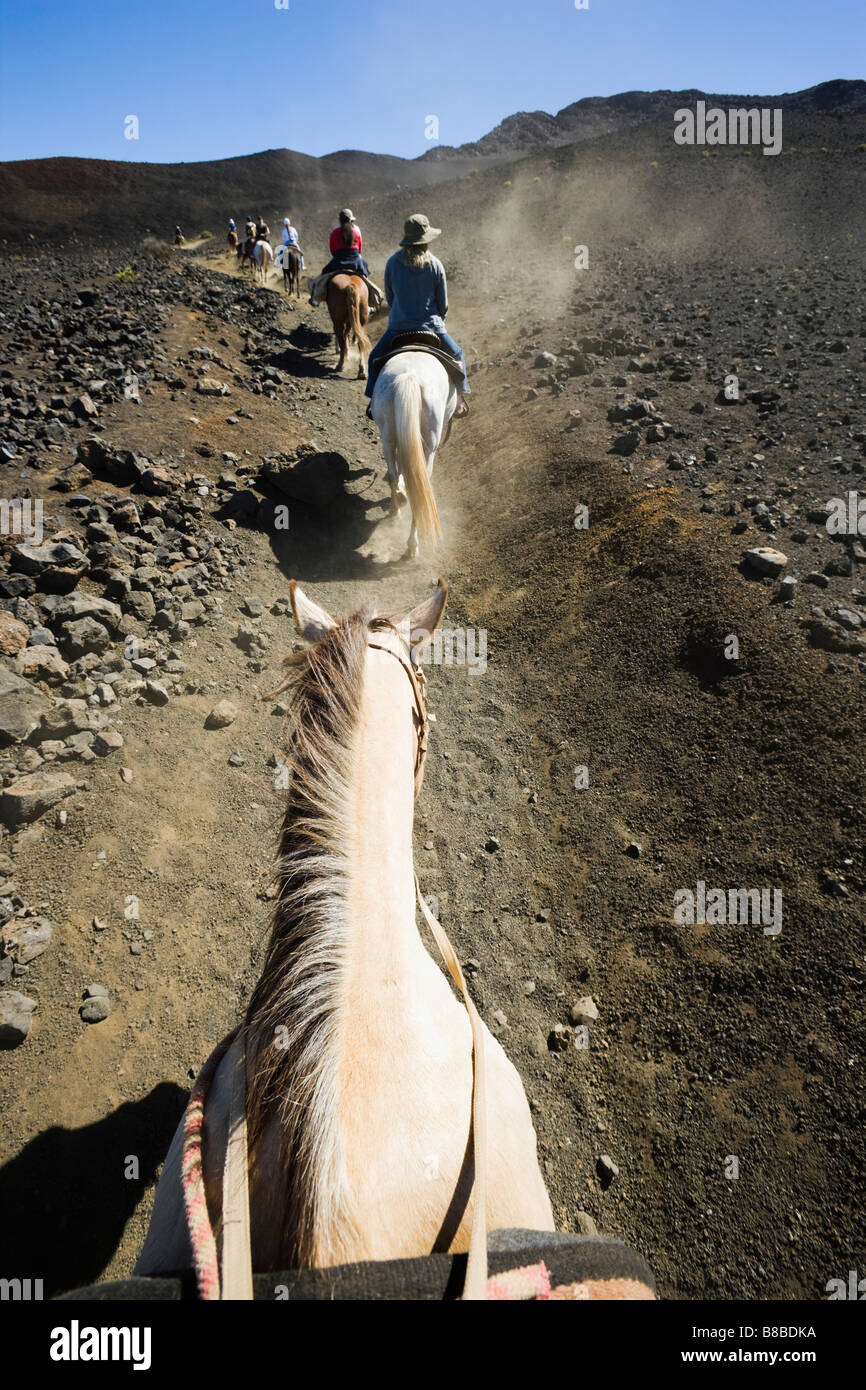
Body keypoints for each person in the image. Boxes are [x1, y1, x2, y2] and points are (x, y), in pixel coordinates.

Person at [363, 213, 470, 414]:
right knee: (457, 354)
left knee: (374, 358)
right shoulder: (435, 264)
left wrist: (401, 315)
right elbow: (443, 304)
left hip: (398, 329)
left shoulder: (392, 263)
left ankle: (372, 402)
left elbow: (391, 298)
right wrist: (438, 321)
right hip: (432, 327)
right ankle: (459, 400)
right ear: (426, 240)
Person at [308, 211, 382, 309]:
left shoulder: (334, 233)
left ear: (340, 220)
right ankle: (371, 302)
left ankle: (316, 299)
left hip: (338, 261)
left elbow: (332, 251)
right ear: (351, 220)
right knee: (365, 275)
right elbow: (359, 250)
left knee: (323, 275)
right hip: (356, 261)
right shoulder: (356, 232)